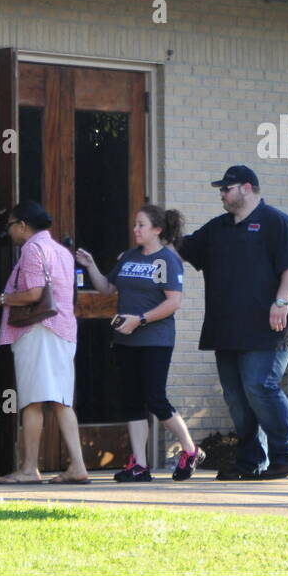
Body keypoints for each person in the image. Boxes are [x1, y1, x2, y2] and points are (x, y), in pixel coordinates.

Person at [176, 165, 288, 480]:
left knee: (260, 385)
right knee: (236, 396)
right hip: (228, 330)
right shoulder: (219, 228)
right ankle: (251, 459)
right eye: (221, 190)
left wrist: (280, 302)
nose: (222, 194)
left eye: (227, 188)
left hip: (272, 328)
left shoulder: (276, 223)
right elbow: (184, 248)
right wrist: (157, 234)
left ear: (247, 188)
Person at [75, 205, 204, 481]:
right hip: (125, 340)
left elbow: (174, 302)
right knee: (131, 401)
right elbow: (107, 288)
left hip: (155, 340)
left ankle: (190, 450)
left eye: (141, 225)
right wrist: (90, 265)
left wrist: (140, 319)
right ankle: (140, 465)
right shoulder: (129, 257)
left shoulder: (167, 260)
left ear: (157, 229)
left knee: (155, 399)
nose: (135, 230)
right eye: (135, 225)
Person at [0, 201, 87, 484]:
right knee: (62, 401)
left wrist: (0, 299)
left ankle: (29, 469)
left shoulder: (32, 249)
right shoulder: (62, 252)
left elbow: (33, 294)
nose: (9, 231)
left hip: (38, 331)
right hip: (64, 331)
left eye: (10, 225)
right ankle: (77, 466)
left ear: (22, 225)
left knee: (32, 402)